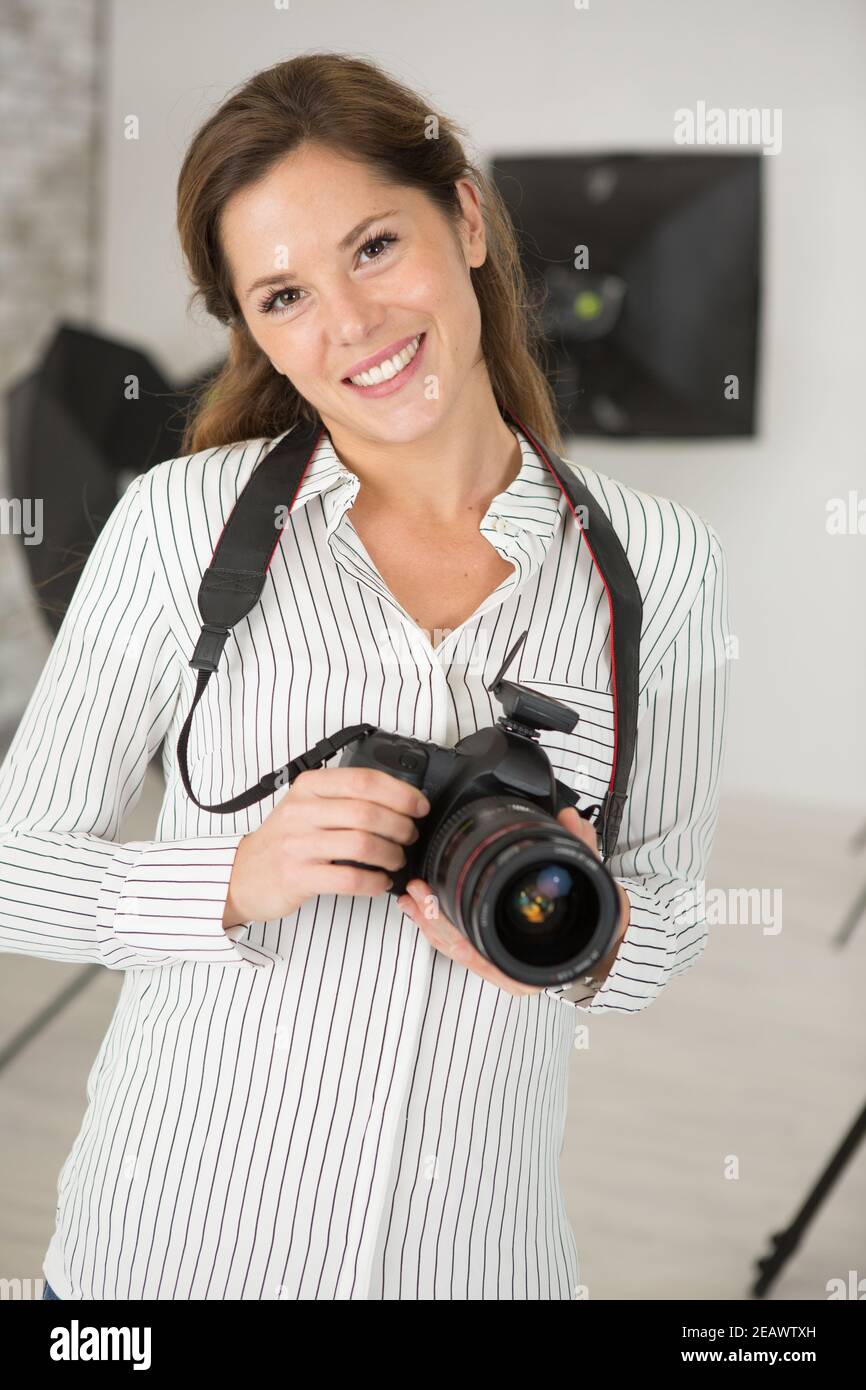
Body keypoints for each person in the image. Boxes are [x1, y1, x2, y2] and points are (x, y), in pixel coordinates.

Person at [1, 52, 730, 1300]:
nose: (347, 325)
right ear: (254, 332)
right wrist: (235, 877)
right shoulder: (182, 522)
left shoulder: (655, 563)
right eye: (282, 294)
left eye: (374, 248)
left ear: (462, 216)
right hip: (164, 1265)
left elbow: (665, 921)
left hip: (477, 1266)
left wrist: (578, 923)